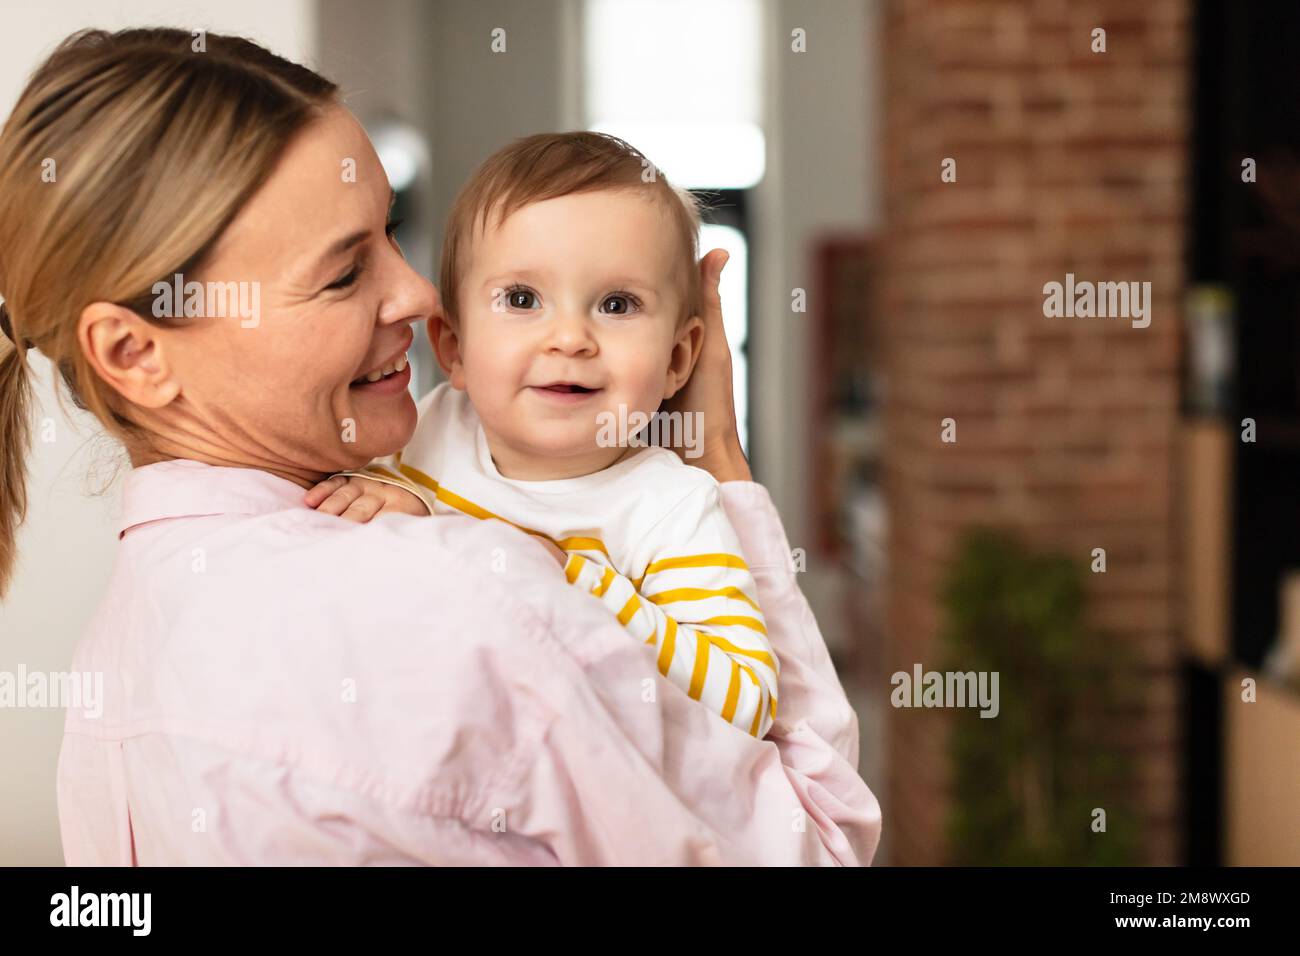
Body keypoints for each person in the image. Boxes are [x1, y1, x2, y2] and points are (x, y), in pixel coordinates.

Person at [0, 26, 881, 865]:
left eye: (390, 231)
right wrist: (720, 459)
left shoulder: (116, 658)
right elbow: (820, 843)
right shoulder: (479, 607)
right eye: (345, 272)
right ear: (136, 353)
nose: (422, 294)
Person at [308, 131, 779, 739]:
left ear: (678, 358)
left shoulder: (670, 509)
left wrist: (567, 575)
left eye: (616, 305)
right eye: (523, 298)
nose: (570, 338)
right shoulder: (424, 432)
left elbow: (748, 703)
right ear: (453, 347)